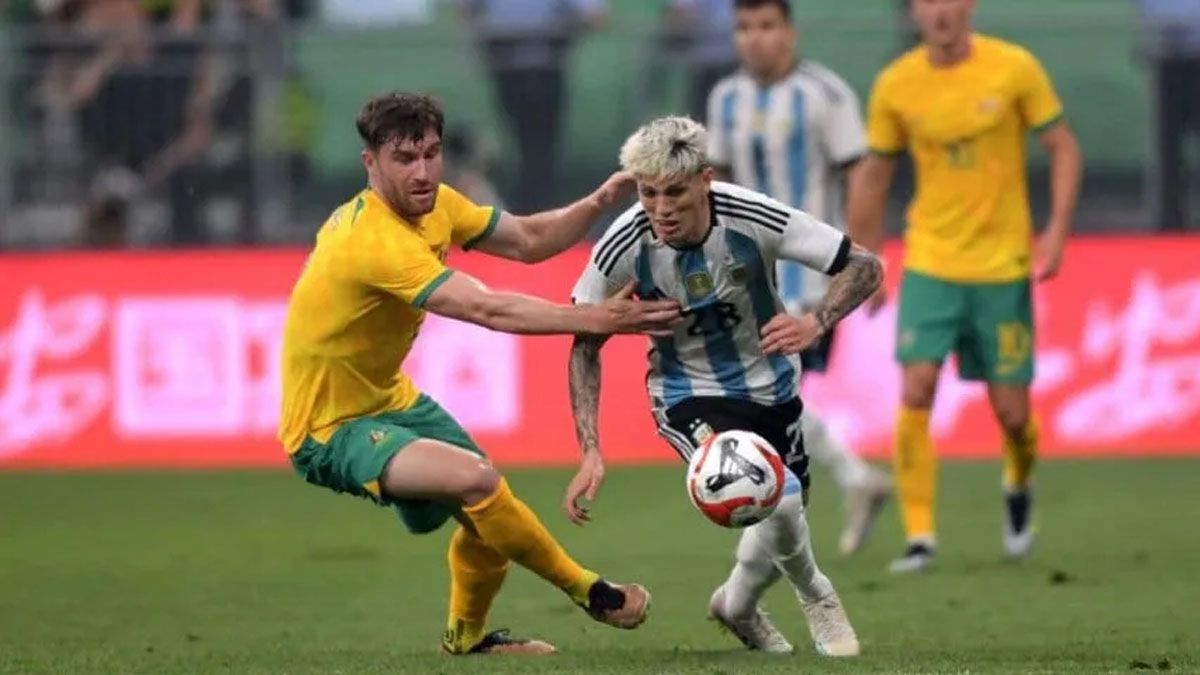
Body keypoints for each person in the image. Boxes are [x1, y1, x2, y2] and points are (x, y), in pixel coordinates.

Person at [278, 92, 678, 655]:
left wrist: (598, 202)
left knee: (488, 508)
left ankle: (467, 641)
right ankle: (591, 591)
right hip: (328, 426)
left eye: (431, 154)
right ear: (370, 164)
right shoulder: (371, 241)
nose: (422, 172)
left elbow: (530, 241)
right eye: (403, 159)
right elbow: (487, 309)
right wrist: (600, 316)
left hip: (390, 400)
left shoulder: (436, 202)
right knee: (479, 483)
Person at [565, 116, 882, 655]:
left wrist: (816, 323)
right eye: (647, 194)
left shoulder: (752, 215)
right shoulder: (624, 241)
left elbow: (864, 266)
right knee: (772, 495)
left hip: (772, 385)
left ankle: (735, 605)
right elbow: (583, 340)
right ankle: (819, 597)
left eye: (674, 193)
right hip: (686, 391)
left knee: (783, 510)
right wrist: (591, 447)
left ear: (705, 180)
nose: (660, 209)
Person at [847, 0, 1083, 573]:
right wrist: (865, 258)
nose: (940, 11)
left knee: (1012, 416)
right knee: (917, 388)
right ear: (914, 13)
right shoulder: (897, 84)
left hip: (1003, 265)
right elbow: (874, 174)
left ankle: (1019, 483)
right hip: (931, 259)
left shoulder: (1013, 68)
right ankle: (920, 537)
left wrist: (1054, 233)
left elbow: (1063, 147)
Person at [705, 0, 891, 556]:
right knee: (767, 398)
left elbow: (860, 176)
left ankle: (782, 523)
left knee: (767, 397)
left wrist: (860, 262)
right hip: (748, 274)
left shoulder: (825, 94)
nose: (755, 39)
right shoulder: (725, 97)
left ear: (789, 32)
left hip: (809, 271)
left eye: (766, 26)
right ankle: (852, 479)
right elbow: (721, 184)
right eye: (743, 28)